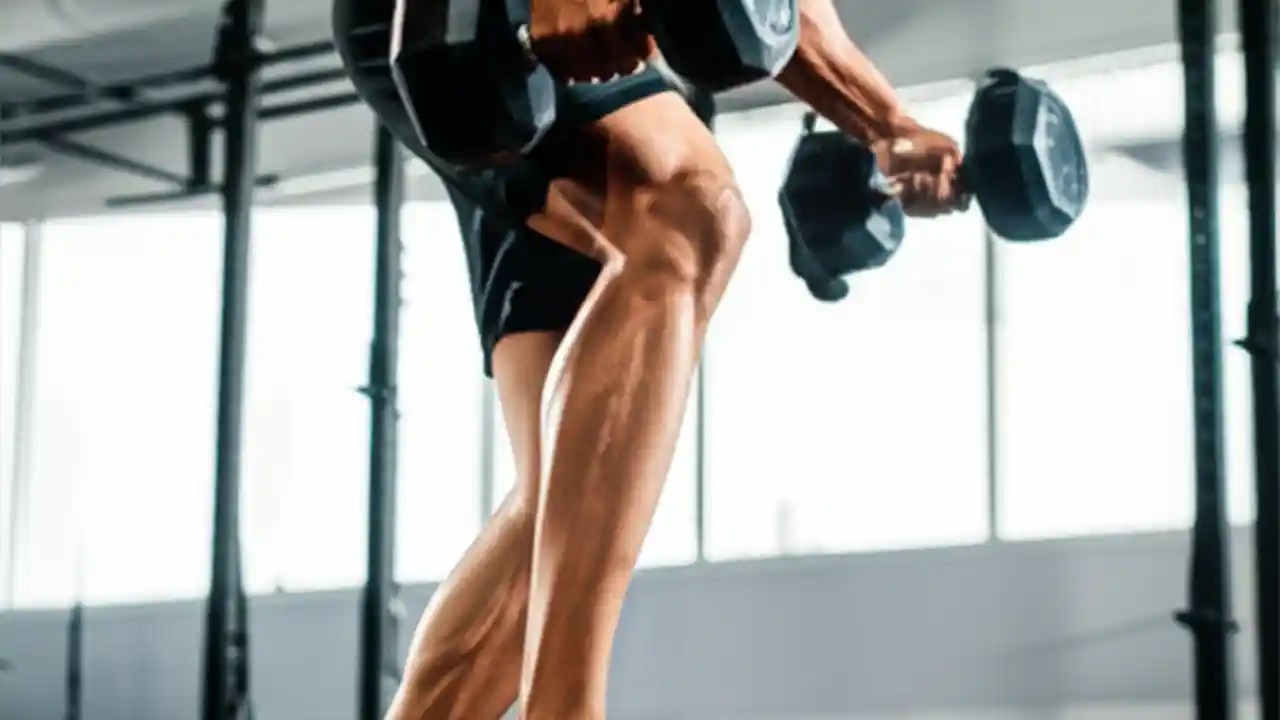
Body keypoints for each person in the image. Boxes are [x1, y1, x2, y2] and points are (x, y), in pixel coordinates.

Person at [333, 1, 968, 717]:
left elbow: (781, 11)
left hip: (546, 62)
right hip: (452, 17)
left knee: (566, 507)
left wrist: (888, 124)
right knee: (691, 210)